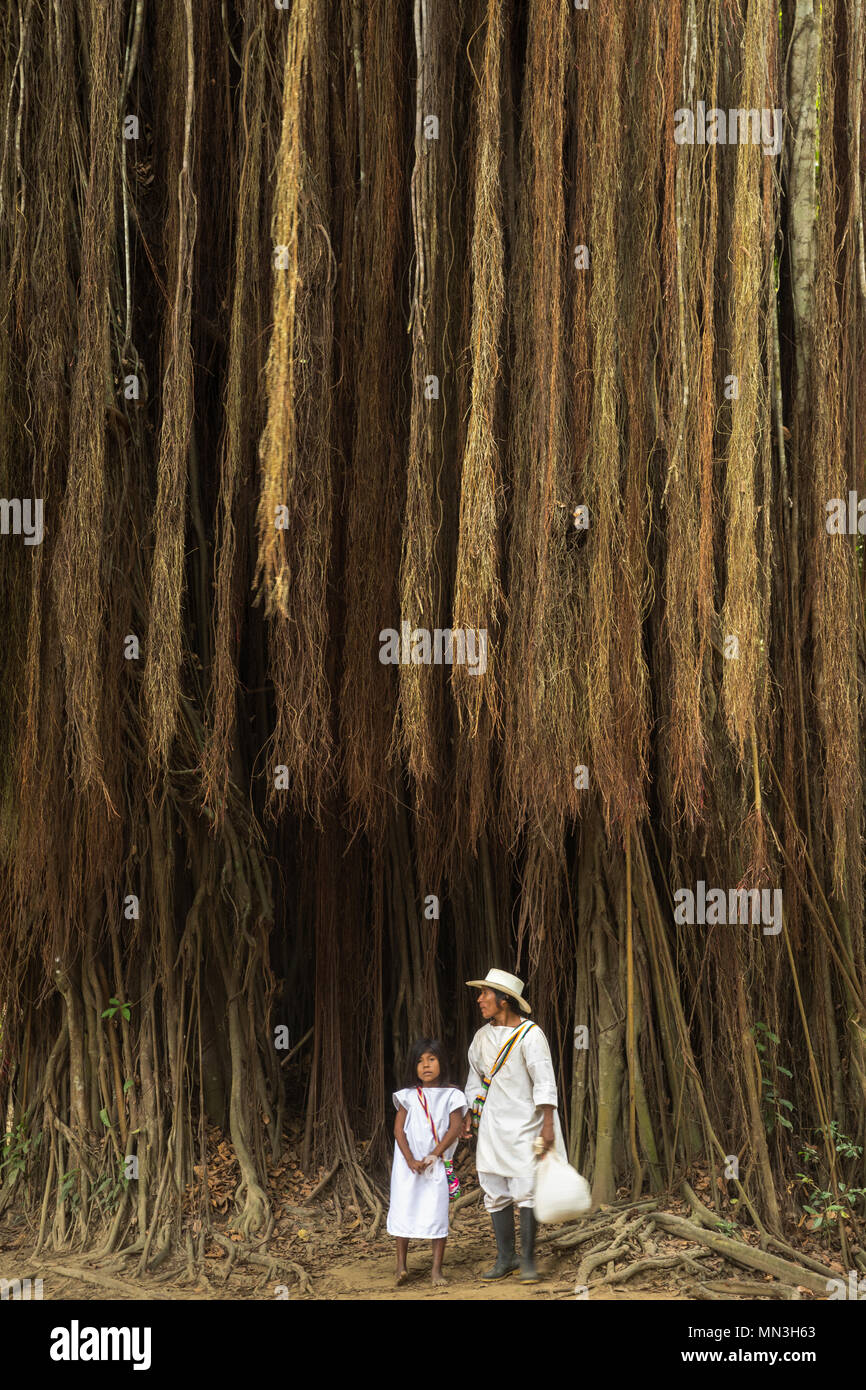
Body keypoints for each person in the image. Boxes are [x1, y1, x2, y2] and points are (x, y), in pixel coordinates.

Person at [463, 968, 566, 1284]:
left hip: (525, 1125)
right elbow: (475, 1079)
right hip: (493, 1126)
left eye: (486, 993)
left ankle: (529, 1261)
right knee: (494, 1188)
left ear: (504, 1000)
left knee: (525, 1190)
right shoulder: (482, 1037)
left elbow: (544, 1083)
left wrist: (547, 1126)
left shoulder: (531, 1035)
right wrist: (470, 1113)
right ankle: (506, 1257)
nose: (480, 999)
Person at [387, 1037, 467, 1285]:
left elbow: (455, 1128)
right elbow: (398, 1130)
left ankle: (436, 1270)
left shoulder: (452, 1094)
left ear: (441, 1062)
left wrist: (434, 1154)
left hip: (437, 1161)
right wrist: (410, 1159)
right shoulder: (408, 1096)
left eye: (431, 1059)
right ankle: (400, 1265)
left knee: (437, 1211)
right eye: (420, 1061)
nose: (426, 1065)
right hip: (407, 1165)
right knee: (403, 1207)